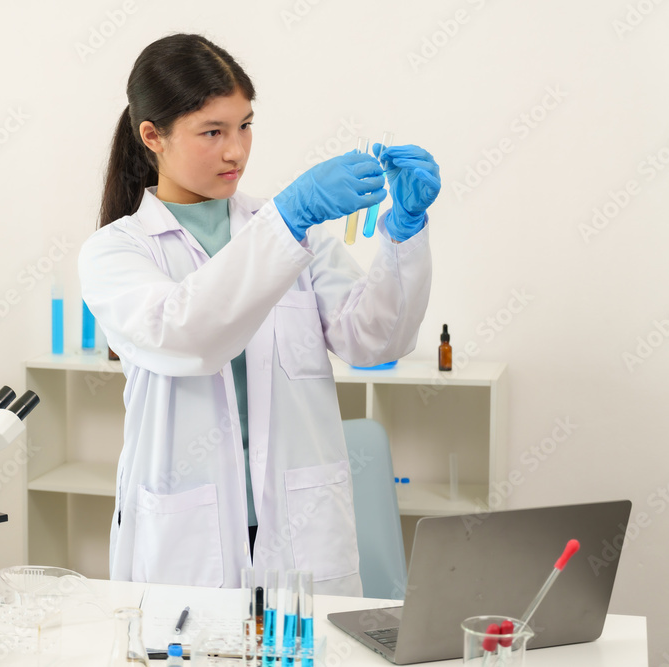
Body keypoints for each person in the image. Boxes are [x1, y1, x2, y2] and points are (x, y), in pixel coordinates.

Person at [79, 33, 439, 596]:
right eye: (213, 132)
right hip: (188, 538)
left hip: (301, 529)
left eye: (245, 125)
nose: (236, 151)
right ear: (153, 136)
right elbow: (189, 337)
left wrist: (404, 234)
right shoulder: (117, 251)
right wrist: (289, 218)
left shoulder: (293, 233)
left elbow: (375, 342)